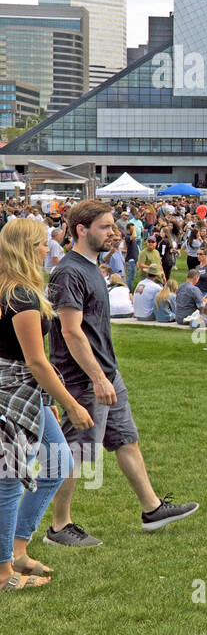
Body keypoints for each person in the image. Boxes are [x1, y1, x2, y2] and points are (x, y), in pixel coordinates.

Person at [45, 200, 198, 547]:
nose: (113, 233)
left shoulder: (92, 268)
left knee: (126, 439)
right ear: (81, 230)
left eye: (113, 226)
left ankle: (152, 508)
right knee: (75, 452)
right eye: (105, 227)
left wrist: (106, 375)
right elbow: (71, 332)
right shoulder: (70, 272)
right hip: (84, 378)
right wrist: (97, 377)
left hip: (106, 374)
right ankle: (58, 527)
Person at [0, 218, 92, 591]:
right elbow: (35, 361)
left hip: (24, 393)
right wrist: (69, 403)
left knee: (58, 463)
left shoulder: (14, 290)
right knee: (9, 481)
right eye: (40, 244)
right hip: (12, 395)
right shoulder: (19, 296)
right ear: (25, 248)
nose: (46, 249)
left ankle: (18, 549)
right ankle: (4, 573)